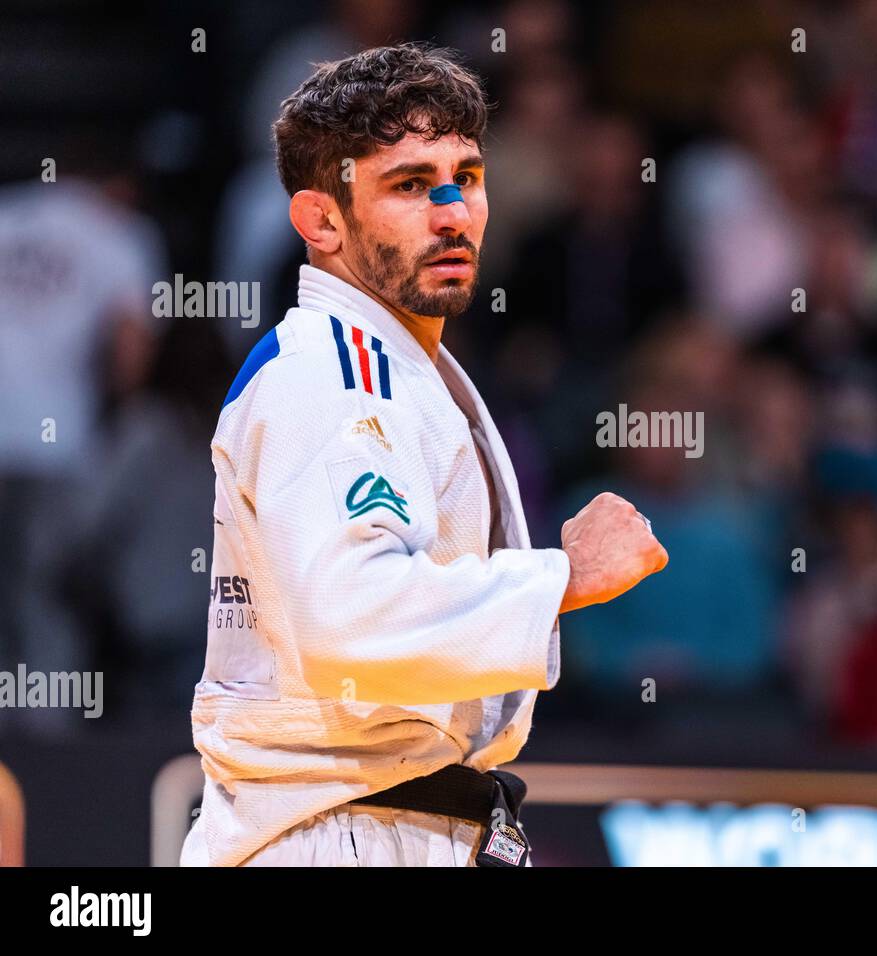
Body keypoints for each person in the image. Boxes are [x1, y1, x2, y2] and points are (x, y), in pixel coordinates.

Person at [180, 43, 667, 867]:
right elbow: (352, 615)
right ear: (321, 219)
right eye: (410, 185)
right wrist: (563, 576)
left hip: (392, 822)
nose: (452, 212)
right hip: (339, 835)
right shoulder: (334, 372)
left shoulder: (399, 368)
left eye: (466, 177)